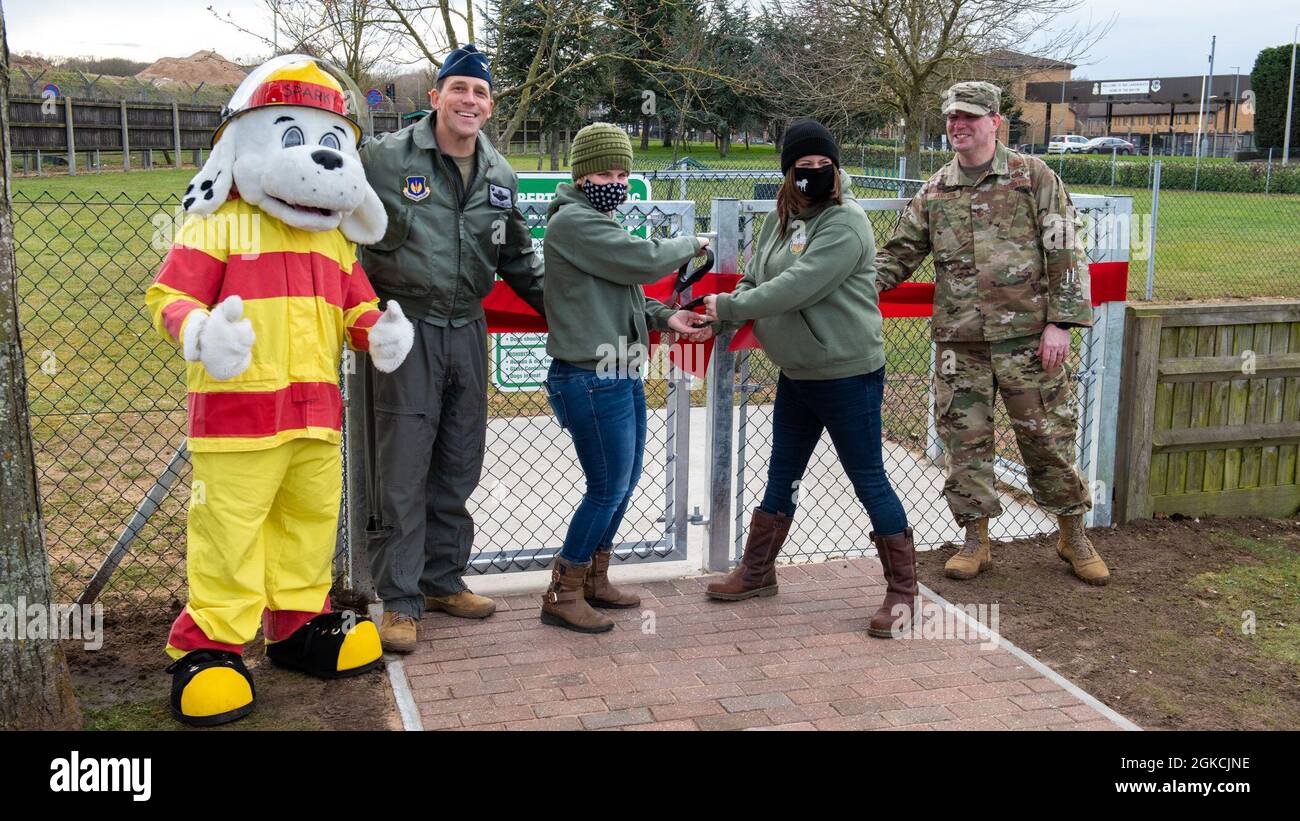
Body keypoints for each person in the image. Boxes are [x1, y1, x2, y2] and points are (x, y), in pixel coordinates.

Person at [874, 81, 1109, 586]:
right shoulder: (936, 189)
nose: (958, 125)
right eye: (951, 118)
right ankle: (975, 540)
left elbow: (1066, 250)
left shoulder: (1034, 177)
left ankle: (1072, 534)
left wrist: (1061, 323)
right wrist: (845, 288)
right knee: (965, 443)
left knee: (1047, 438)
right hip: (961, 344)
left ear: (995, 122)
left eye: (969, 117)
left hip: (1029, 339)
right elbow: (898, 254)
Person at [358, 44, 547, 653]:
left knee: (459, 461)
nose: (470, 100)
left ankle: (442, 581)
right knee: (403, 468)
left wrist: (578, 317)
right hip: (404, 330)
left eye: (481, 93)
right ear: (435, 96)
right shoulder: (382, 160)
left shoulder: (499, 175)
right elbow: (334, 225)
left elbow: (519, 258)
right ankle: (401, 600)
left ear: (490, 108)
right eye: (459, 88)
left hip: (467, 328)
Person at [701, 119, 916, 638]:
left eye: (824, 165)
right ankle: (757, 573)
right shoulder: (786, 217)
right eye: (804, 166)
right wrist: (730, 303)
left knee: (868, 478)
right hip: (797, 370)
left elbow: (797, 286)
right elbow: (759, 275)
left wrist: (727, 305)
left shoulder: (846, 222)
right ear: (788, 172)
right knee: (783, 473)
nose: (815, 174)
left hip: (846, 373)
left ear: (836, 170)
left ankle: (904, 594)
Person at [539, 123, 712, 633]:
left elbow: (627, 293)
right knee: (606, 486)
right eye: (604, 172)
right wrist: (693, 242)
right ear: (580, 174)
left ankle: (595, 578)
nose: (615, 181)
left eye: (622, 173)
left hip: (620, 370)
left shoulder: (598, 222)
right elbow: (642, 261)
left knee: (624, 480)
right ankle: (562, 590)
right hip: (590, 376)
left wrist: (667, 318)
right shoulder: (574, 221)